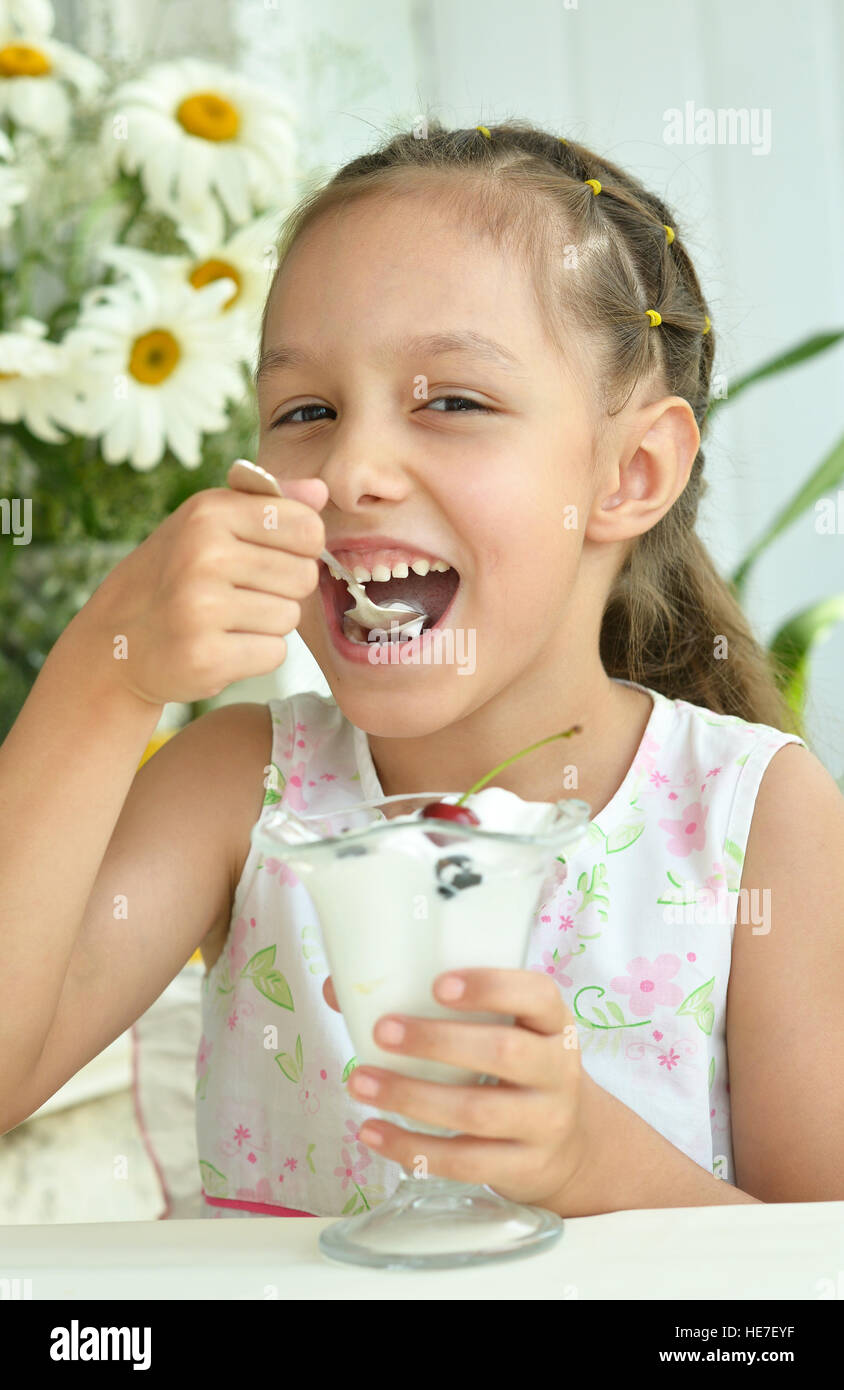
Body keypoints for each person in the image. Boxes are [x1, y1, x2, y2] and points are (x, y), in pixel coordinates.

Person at [2, 120, 842, 1221]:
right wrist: (107, 670)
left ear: (631, 472)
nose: (352, 468)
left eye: (451, 401)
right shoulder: (237, 789)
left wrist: (592, 1164)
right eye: (305, 412)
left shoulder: (753, 816)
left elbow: (814, 1270)